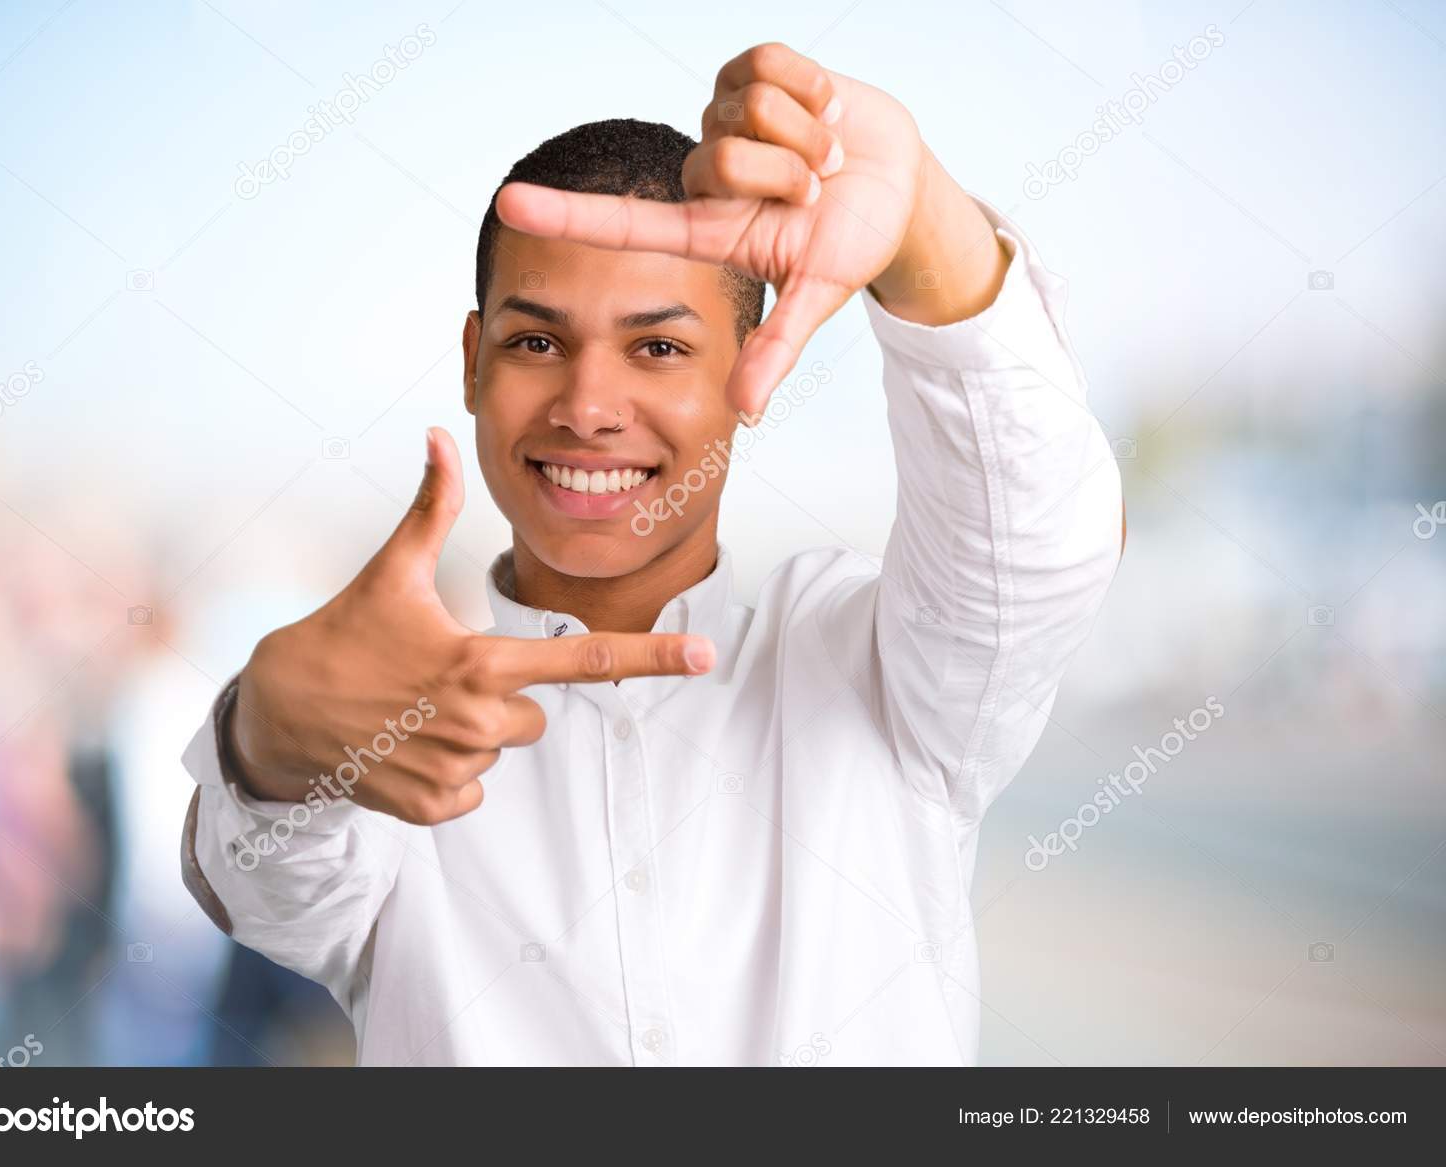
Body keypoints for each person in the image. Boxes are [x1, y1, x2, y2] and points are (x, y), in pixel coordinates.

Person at [180, 43, 1124, 1065]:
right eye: (535, 342)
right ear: (470, 360)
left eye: (659, 348)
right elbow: (265, 887)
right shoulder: (407, 717)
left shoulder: (879, 675)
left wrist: (924, 217)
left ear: (749, 369)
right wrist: (264, 740)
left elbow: (1037, 535)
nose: (586, 408)